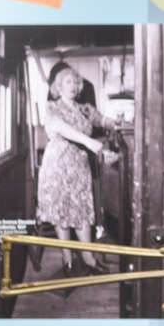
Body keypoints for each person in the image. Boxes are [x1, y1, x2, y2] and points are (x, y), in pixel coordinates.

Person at [37, 62, 121, 276]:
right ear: (58, 86)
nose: (73, 85)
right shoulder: (52, 107)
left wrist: (117, 122)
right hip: (58, 164)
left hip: (79, 164)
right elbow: (60, 128)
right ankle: (67, 258)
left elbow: (102, 120)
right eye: (67, 82)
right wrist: (90, 142)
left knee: (82, 210)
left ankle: (88, 257)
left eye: (76, 82)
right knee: (62, 211)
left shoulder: (85, 109)